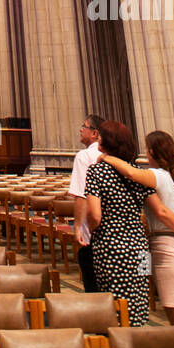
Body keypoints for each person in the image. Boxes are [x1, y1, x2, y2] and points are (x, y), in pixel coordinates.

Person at [98, 130, 174, 334]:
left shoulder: (158, 176)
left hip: (170, 255)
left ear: (152, 151)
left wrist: (107, 157)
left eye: (146, 149)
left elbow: (130, 173)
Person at [85, 121, 152, 325]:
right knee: (140, 297)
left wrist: (90, 228)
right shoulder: (141, 172)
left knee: (114, 302)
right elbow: (156, 208)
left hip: (112, 246)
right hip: (140, 247)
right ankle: (137, 341)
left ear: (106, 143)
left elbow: (95, 216)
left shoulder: (97, 172)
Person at [68, 114, 103, 293]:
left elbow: (82, 195)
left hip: (97, 236)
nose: (80, 129)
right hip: (134, 244)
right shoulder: (125, 162)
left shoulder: (85, 157)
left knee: (95, 290)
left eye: (84, 126)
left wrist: (79, 228)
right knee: (130, 296)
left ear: (95, 133)